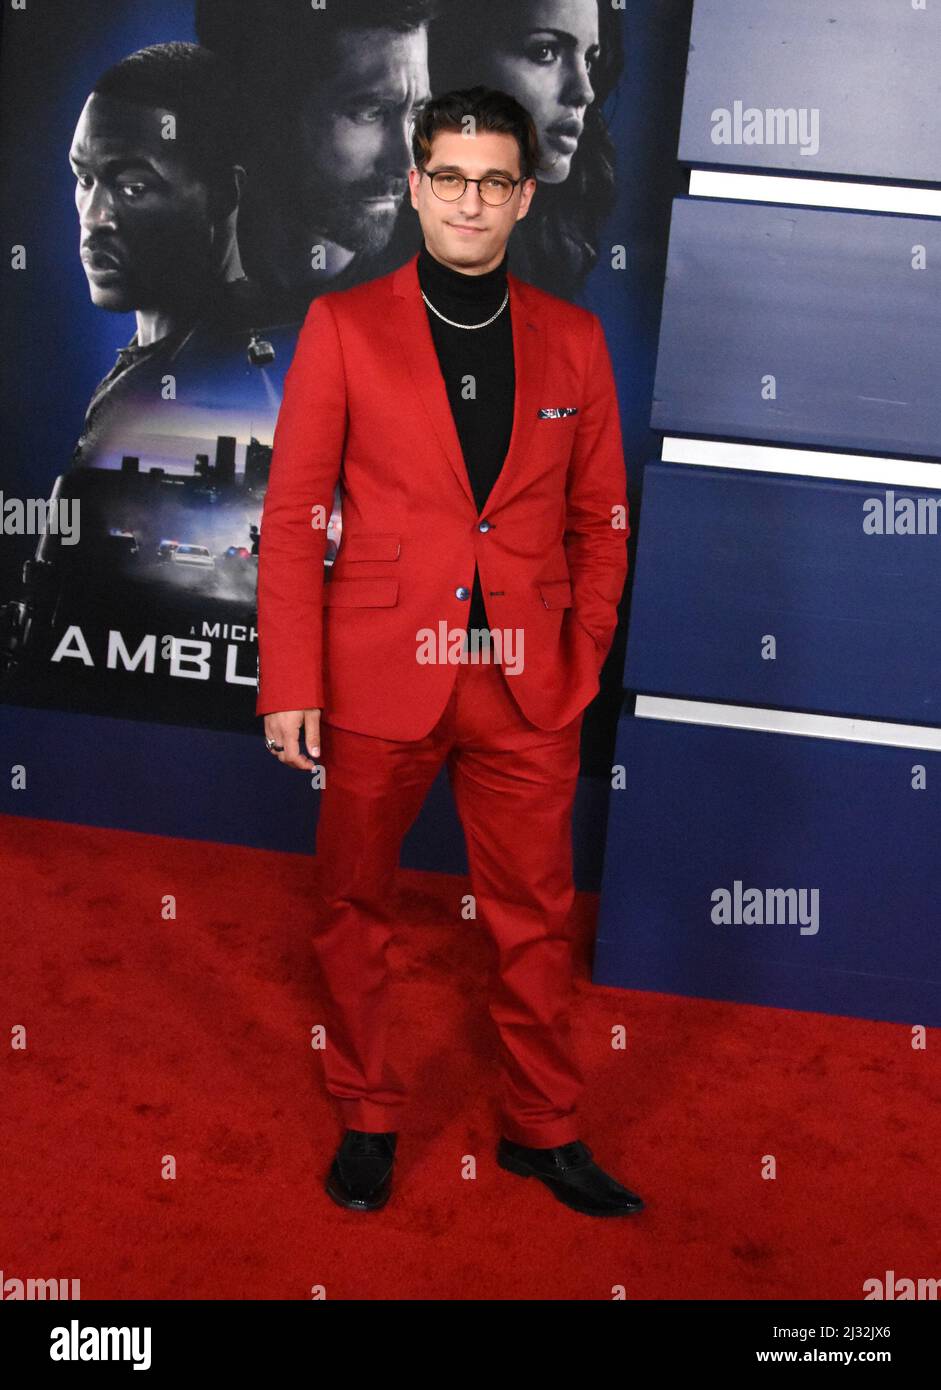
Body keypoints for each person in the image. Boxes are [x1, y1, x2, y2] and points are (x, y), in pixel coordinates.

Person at [255, 86, 642, 1217]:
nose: (470, 199)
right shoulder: (342, 326)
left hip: (528, 681)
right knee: (353, 904)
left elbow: (602, 518)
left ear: (525, 196)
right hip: (377, 670)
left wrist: (582, 647)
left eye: (494, 180)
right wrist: (291, 682)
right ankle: (369, 1114)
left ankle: (541, 1128)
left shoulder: (573, 340)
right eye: (449, 176)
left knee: (535, 917)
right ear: (414, 184)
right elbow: (289, 520)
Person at [68, 41, 271, 470]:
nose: (95, 217)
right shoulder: (155, 369)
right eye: (84, 179)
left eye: (133, 188)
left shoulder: (236, 374)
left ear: (222, 195)